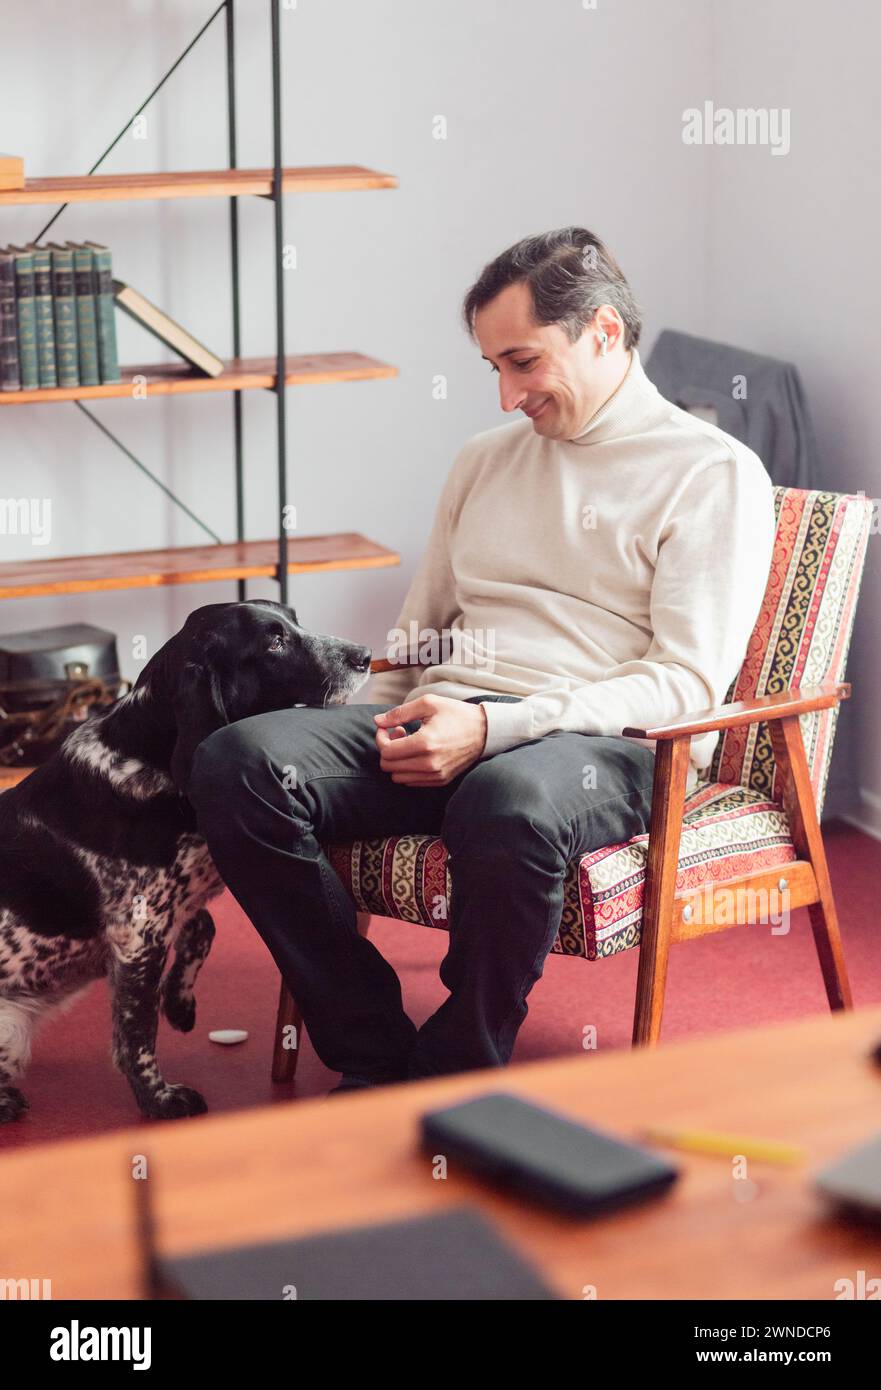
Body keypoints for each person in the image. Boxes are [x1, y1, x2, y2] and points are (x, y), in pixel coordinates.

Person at [187, 227, 776, 1091]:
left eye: (523, 362)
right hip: (452, 714)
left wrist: (495, 728)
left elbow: (684, 682)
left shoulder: (711, 472)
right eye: (493, 368)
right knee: (236, 761)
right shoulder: (483, 460)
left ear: (603, 331)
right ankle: (372, 1051)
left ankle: (460, 1065)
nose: (506, 397)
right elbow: (422, 633)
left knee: (507, 799)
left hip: (602, 744)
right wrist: (368, 724)